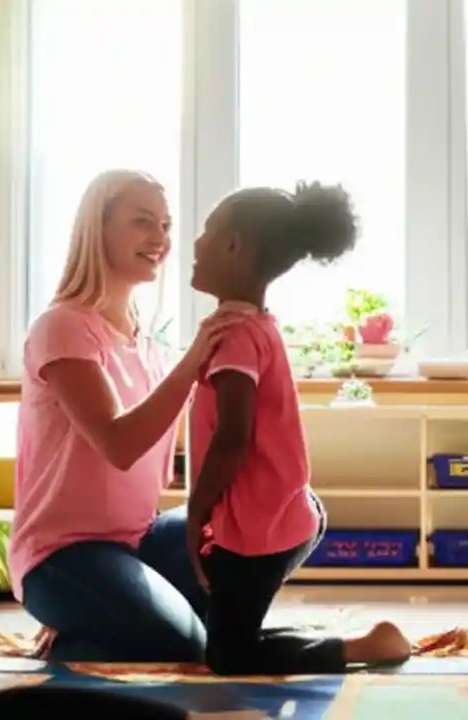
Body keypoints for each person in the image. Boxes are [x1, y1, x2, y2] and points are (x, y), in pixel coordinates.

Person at [9, 169, 238, 662]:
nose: (160, 238)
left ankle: (110, 618)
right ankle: (79, 625)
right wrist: (194, 360)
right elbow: (119, 444)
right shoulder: (62, 327)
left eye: (166, 224)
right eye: (142, 222)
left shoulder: (148, 345)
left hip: (139, 541)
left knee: (279, 518)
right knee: (186, 644)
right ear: (99, 228)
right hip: (62, 557)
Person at [187, 181, 412, 675]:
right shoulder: (254, 325)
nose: (196, 243)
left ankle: (361, 647)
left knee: (228, 656)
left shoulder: (235, 338)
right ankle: (336, 639)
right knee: (227, 634)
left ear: (232, 245)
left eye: (207, 232)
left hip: (260, 531)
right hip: (288, 513)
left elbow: (233, 437)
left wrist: (195, 510)